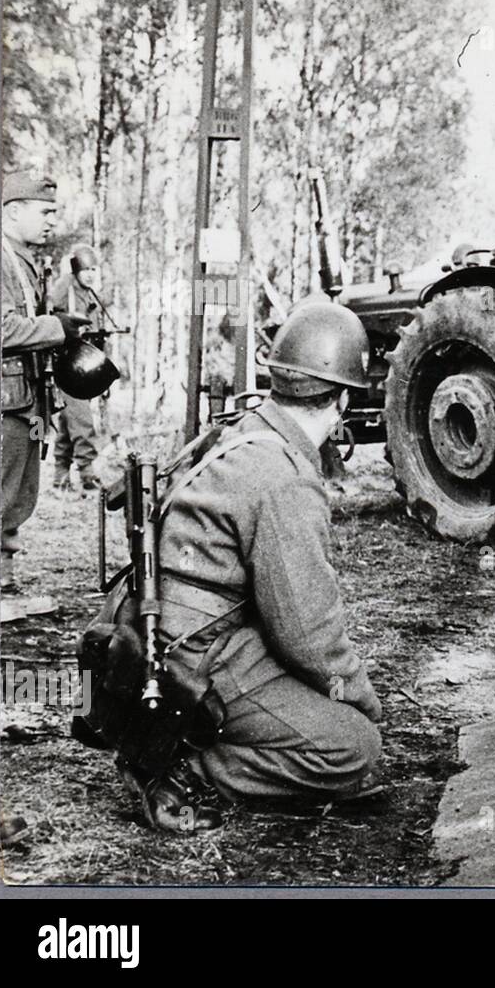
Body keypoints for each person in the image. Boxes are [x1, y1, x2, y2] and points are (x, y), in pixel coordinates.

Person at [100, 302, 383, 834]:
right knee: (354, 749)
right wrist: (359, 698)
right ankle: (181, 769)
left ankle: (175, 738)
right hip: (194, 655)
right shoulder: (283, 476)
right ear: (342, 399)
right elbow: (307, 631)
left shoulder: (242, 430)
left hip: (156, 634)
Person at [0, 170, 89, 596]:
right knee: (0, 487)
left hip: (30, 406)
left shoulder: (25, 260)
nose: (52, 220)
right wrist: (56, 327)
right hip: (4, 406)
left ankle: (3, 576)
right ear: (13, 211)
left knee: (22, 487)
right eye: (45, 211)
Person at [47, 244, 103, 491]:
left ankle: (60, 474)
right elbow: (47, 315)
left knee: (69, 420)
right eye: (85, 269)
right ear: (75, 269)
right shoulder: (63, 287)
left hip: (84, 361)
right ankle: (87, 471)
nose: (90, 274)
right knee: (81, 417)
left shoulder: (90, 293)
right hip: (66, 360)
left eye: (94, 269)